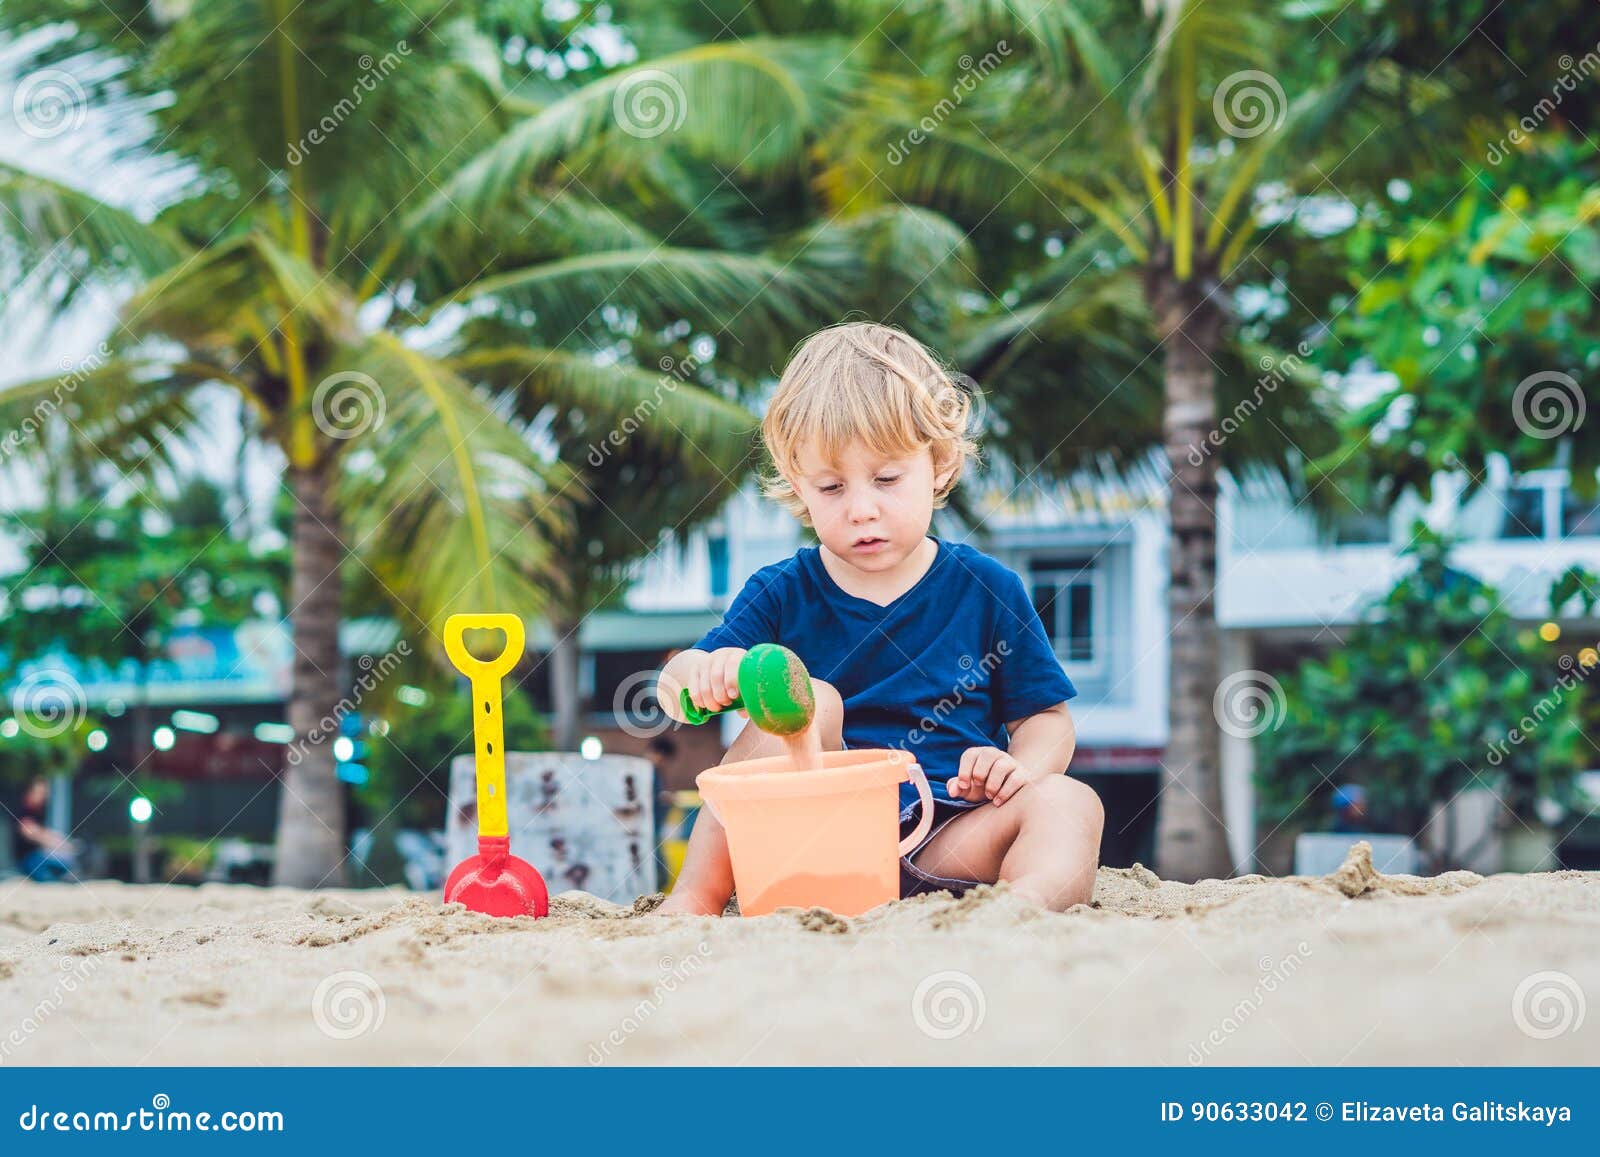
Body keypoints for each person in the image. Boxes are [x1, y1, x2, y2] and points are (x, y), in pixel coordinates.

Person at [655, 322, 1103, 915]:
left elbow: (1048, 720)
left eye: (888, 479)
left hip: (950, 840)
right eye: (832, 487)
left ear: (938, 466)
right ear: (799, 486)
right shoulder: (782, 592)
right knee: (812, 697)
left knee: (1070, 803)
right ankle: (697, 897)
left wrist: (1014, 768)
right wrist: (703, 675)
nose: (862, 509)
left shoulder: (988, 589)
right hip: (817, 842)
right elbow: (676, 683)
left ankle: (1017, 910)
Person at [11, 776, 77, 882]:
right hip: (29, 860)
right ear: (30, 791)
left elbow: (42, 832)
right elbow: (33, 833)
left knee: (66, 862)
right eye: (41, 792)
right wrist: (63, 844)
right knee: (63, 864)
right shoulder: (24, 810)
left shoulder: (39, 811)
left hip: (37, 857)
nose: (45, 796)